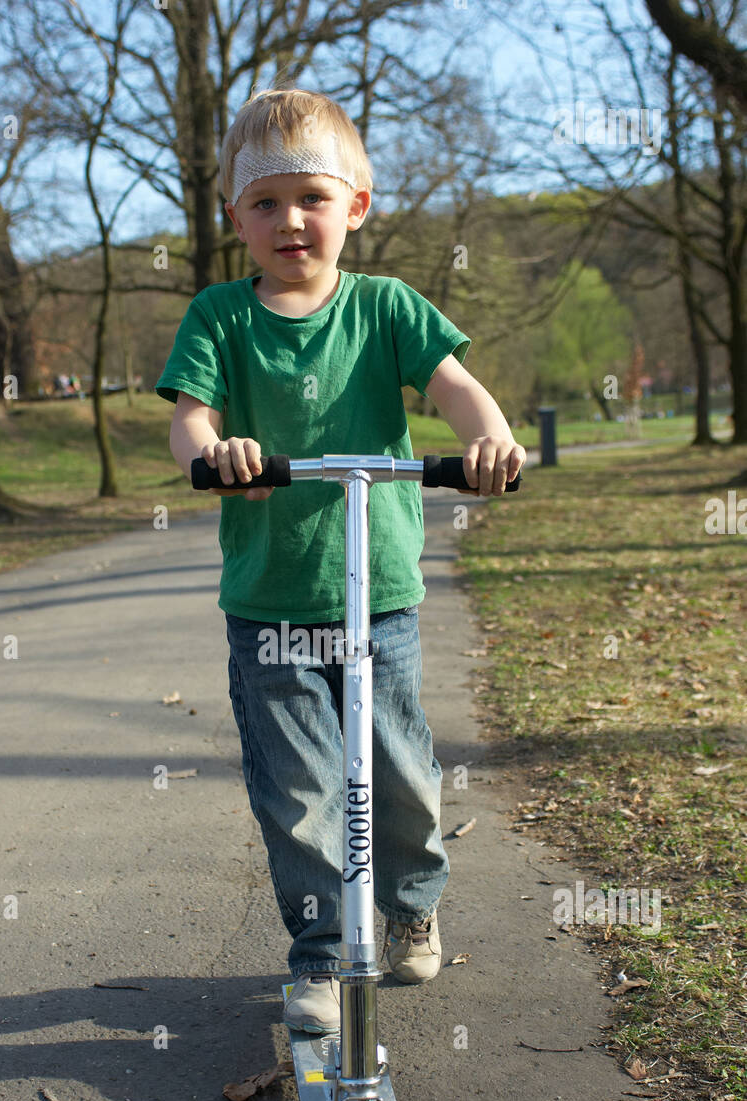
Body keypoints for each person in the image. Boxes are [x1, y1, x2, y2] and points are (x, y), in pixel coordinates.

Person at [156, 89, 525, 1034]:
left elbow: (455, 388)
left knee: (399, 777)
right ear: (234, 217)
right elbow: (188, 415)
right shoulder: (220, 318)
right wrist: (212, 455)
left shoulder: (387, 308)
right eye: (265, 202)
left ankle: (409, 908)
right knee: (304, 793)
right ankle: (321, 956)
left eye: (312, 198)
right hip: (270, 601)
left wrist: (490, 443)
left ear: (355, 205)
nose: (291, 222)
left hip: (381, 601)